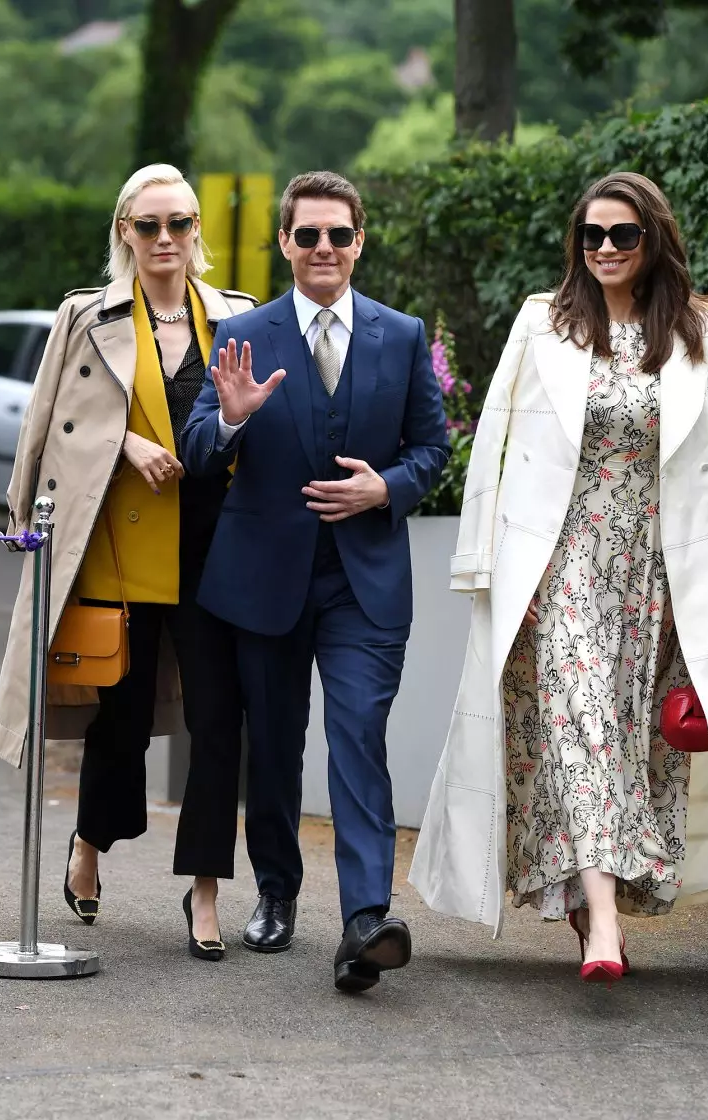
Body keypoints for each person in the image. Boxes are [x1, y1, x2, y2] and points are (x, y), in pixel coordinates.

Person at [410, 171, 708, 984]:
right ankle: (602, 923)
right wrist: (481, 561)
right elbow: (493, 434)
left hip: (656, 575)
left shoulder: (701, 331)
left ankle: (583, 904)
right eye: (591, 236)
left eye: (622, 236)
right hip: (557, 564)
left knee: (620, 743)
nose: (603, 249)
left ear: (653, 242)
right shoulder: (545, 323)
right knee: (582, 723)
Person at [182, 170, 449, 992]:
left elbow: (432, 453)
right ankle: (276, 890)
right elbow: (197, 450)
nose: (323, 248)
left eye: (339, 234)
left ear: (360, 241)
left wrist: (386, 488)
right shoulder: (244, 334)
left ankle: (367, 919)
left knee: (359, 737)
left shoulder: (401, 337)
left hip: (364, 584)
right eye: (308, 236)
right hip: (262, 579)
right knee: (274, 746)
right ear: (284, 244)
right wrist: (230, 416)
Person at [0, 164, 256, 961]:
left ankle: (205, 890)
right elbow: (43, 428)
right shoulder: (85, 316)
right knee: (122, 720)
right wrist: (120, 449)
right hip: (118, 546)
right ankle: (89, 844)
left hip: (215, 549)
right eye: (149, 226)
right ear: (124, 234)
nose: (165, 239)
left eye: (179, 223)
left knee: (218, 724)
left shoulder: (238, 317)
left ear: (197, 231)